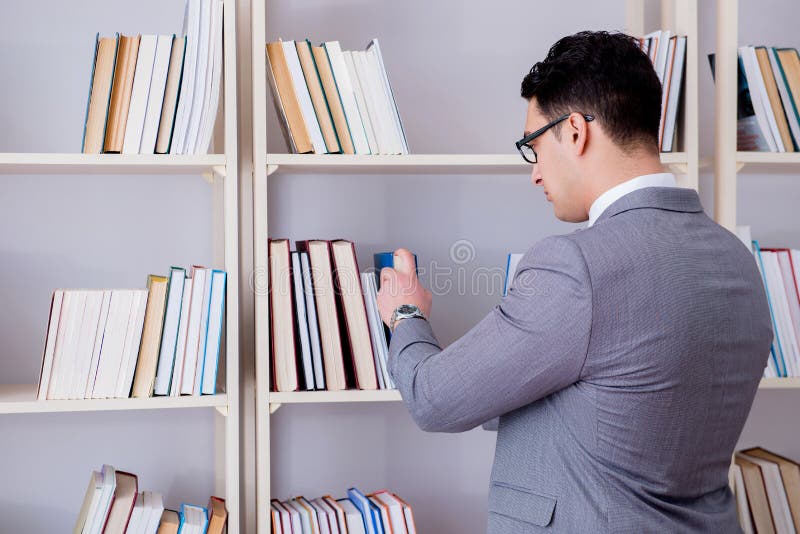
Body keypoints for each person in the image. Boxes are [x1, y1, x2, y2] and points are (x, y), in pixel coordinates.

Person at [376, 31, 773, 533]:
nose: (535, 173)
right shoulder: (737, 260)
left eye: (533, 146)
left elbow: (433, 399)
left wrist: (405, 314)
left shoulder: (576, 268)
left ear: (577, 131)